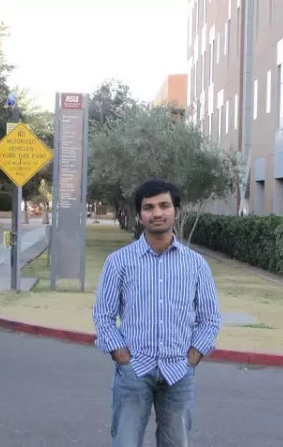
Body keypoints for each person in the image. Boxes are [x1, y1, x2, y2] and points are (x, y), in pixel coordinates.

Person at [93, 178, 221, 447]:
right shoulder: (119, 262)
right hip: (134, 371)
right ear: (139, 215)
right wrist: (122, 357)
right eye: (148, 207)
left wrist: (192, 357)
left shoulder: (196, 264)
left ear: (176, 210)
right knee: (125, 441)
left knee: (176, 442)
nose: (157, 213)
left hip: (179, 371)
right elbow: (103, 316)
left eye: (164, 205)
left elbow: (209, 319)